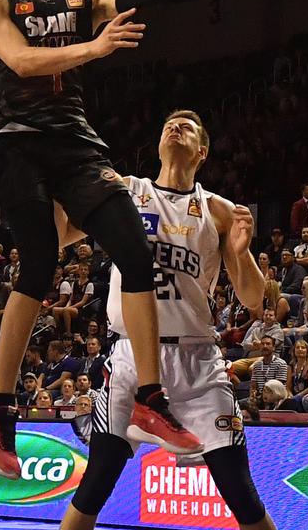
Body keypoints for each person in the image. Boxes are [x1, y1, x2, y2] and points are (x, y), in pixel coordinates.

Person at [0, 0, 242, 475]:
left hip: (75, 143)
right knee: (39, 263)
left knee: (134, 249)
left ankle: (149, 399)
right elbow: (20, 60)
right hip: (18, 143)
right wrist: (95, 50)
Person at [58, 110, 274, 530]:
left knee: (242, 494)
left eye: (188, 126)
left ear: (202, 151)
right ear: (158, 144)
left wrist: (243, 252)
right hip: (132, 360)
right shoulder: (124, 190)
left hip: (197, 364)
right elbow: (62, 234)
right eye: (168, 125)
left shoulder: (220, 210)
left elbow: (252, 299)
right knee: (95, 484)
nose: (175, 128)